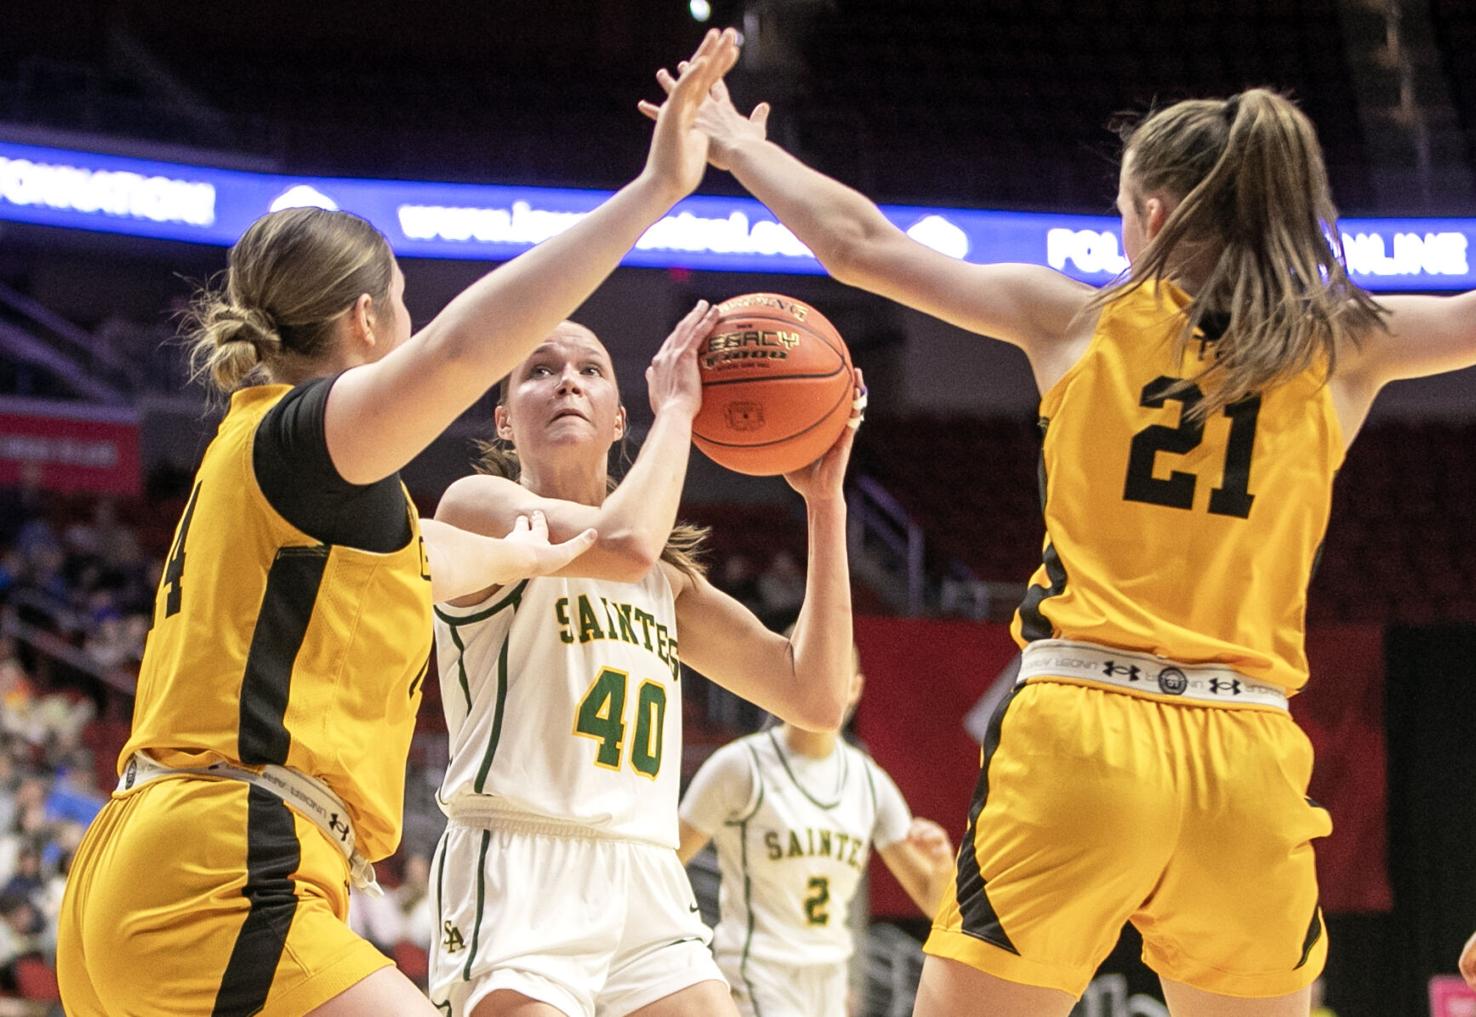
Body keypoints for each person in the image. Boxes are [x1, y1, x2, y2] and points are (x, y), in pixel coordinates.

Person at [651, 77, 1476, 1017]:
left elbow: (859, 245)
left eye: (1123, 211)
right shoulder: (1340, 343)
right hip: (1244, 748)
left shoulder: (1078, 320)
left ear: (1153, 215)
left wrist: (739, 145)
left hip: (1084, 731)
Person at [55, 28, 742, 1017]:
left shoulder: (291, 484)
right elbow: (466, 351)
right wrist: (652, 193)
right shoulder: (303, 431)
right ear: (369, 324)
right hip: (224, 860)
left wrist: (562, 544)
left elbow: (474, 556)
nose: (417, 329)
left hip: (148, 859)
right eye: (407, 307)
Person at [427, 311, 864, 1017]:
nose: (567, 380)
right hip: (519, 862)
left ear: (619, 419)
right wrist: (683, 410)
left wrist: (823, 504)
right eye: (541, 369)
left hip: (645, 869)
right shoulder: (478, 510)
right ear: (505, 421)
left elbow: (815, 696)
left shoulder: (665, 581)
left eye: (589, 370)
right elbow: (623, 538)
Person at [677, 650, 955, 1017]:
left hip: (831, 979)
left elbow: (937, 905)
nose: (821, 683)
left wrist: (941, 866)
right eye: (809, 668)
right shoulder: (739, 766)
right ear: (784, 678)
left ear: (855, 688)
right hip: (757, 973)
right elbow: (664, 862)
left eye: (833, 671)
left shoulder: (869, 780)